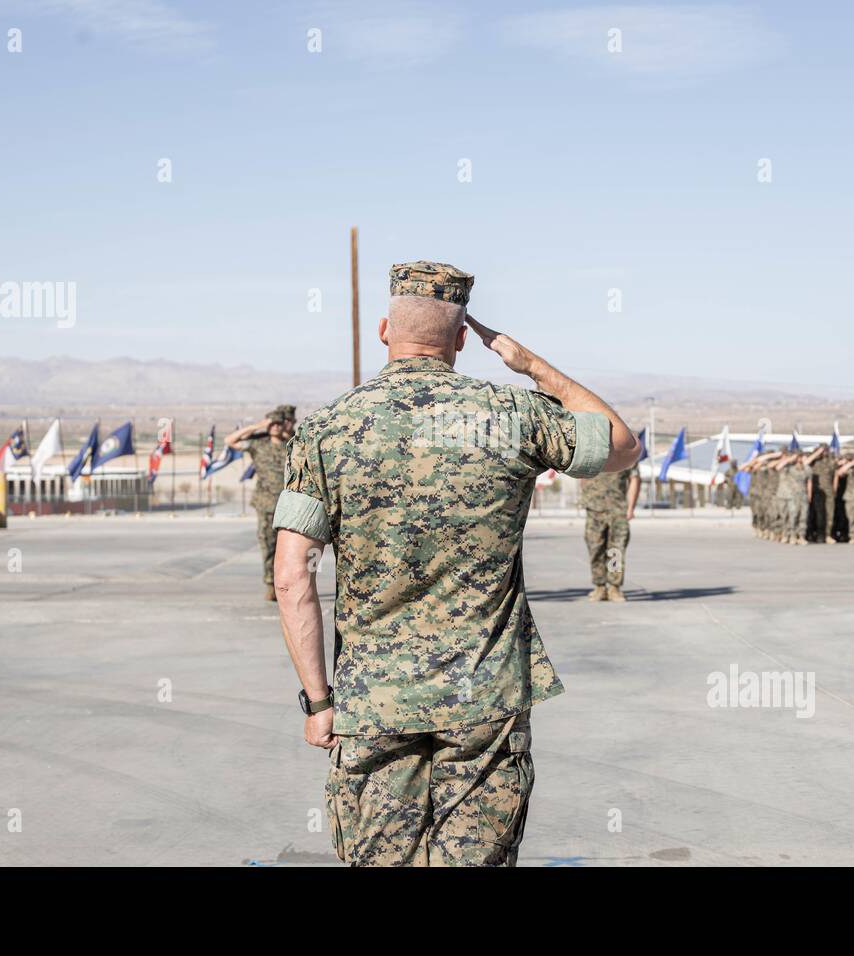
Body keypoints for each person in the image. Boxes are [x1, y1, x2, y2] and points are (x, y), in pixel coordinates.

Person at [270, 260, 639, 867]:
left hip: (373, 702)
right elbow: (622, 445)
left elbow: (291, 578)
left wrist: (318, 701)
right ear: (463, 338)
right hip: (483, 700)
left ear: (385, 330)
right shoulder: (516, 414)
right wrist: (533, 366)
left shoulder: (326, 429)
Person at [227, 408, 293, 600]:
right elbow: (230, 441)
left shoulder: (290, 445)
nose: (275, 427)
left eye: (278, 424)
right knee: (267, 546)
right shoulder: (258, 444)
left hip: (288, 505)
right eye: (271, 424)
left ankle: (287, 583)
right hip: (265, 504)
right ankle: (271, 583)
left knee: (289, 548)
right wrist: (257, 426)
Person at [581, 462, 641, 602]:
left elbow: (634, 478)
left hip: (618, 510)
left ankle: (614, 587)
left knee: (616, 551)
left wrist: (630, 508)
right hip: (594, 509)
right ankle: (600, 586)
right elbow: (582, 475)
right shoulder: (593, 450)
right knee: (595, 547)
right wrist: (586, 499)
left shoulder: (625, 449)